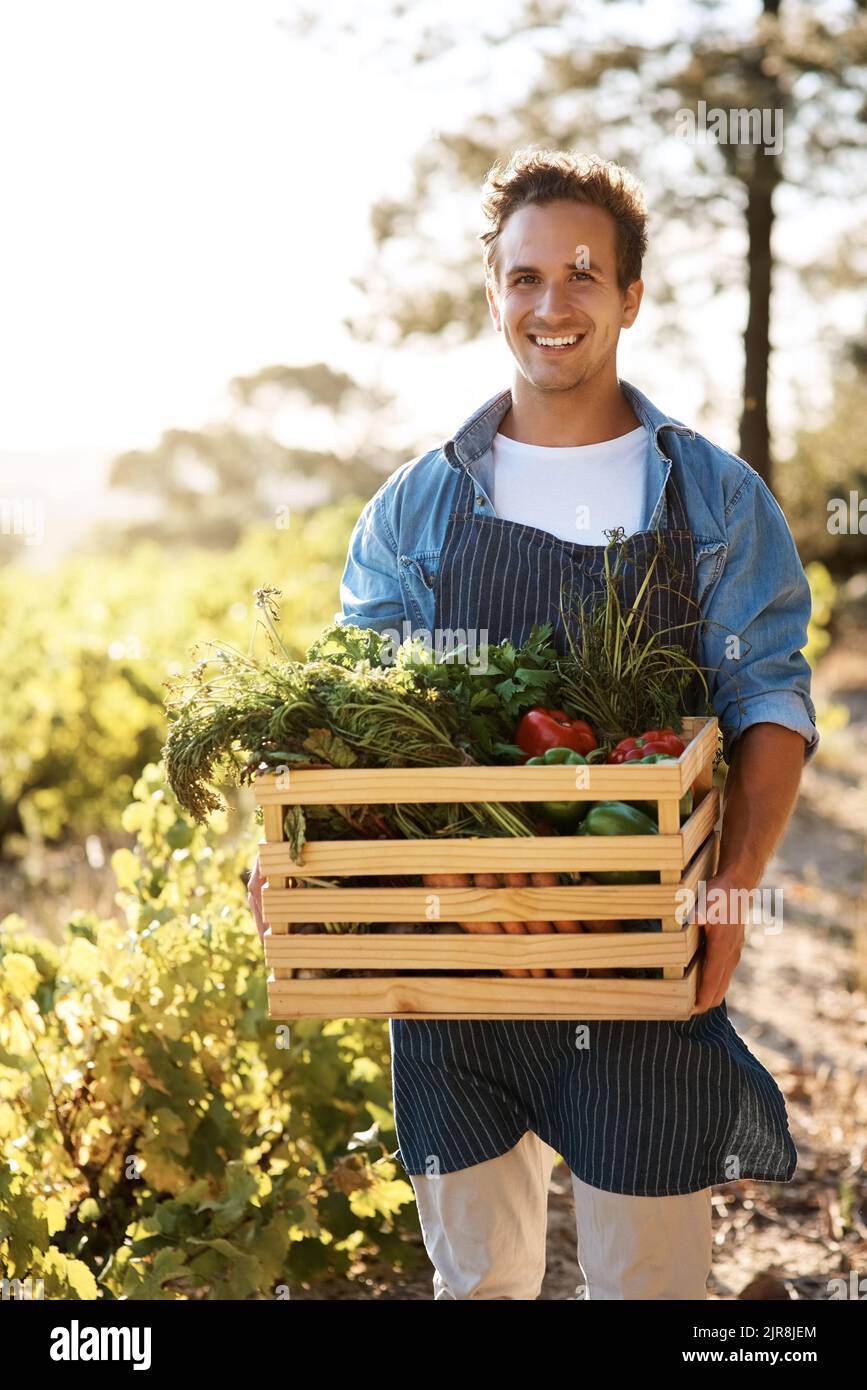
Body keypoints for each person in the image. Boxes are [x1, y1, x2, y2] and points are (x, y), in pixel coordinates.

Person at [248, 149, 818, 1300]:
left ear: (630, 296)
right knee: (483, 1284)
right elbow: (350, 708)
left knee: (649, 1286)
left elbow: (767, 701)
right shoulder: (417, 506)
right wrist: (292, 853)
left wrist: (732, 887)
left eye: (581, 274)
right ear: (493, 291)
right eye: (523, 277)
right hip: (455, 963)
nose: (550, 304)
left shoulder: (710, 498)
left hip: (637, 959)